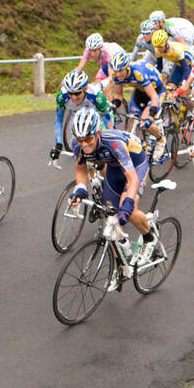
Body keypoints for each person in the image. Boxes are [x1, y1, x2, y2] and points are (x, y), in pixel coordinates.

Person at [68, 110, 158, 279]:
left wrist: (128, 203)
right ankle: (121, 267)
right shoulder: (77, 145)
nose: (84, 144)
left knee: (128, 210)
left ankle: (149, 236)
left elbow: (132, 179)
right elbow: (81, 170)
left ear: (98, 133)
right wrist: (80, 189)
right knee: (111, 216)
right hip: (114, 167)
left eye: (88, 138)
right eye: (80, 140)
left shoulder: (114, 143)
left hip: (135, 162)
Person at [103, 51, 167, 162]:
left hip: (156, 91)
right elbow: (119, 95)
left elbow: (154, 97)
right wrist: (113, 106)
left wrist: (151, 115)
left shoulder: (138, 73)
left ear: (127, 67)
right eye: (116, 71)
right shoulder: (116, 76)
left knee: (145, 123)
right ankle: (137, 147)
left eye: (120, 70)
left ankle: (160, 140)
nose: (118, 74)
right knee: (133, 120)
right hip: (140, 90)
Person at [51, 69, 114, 161]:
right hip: (81, 119)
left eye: (77, 93)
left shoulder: (97, 97)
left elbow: (108, 121)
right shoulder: (62, 97)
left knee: (102, 150)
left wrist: (110, 143)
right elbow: (58, 120)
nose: (73, 97)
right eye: (70, 93)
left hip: (100, 117)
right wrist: (58, 144)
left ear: (85, 89)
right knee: (83, 153)